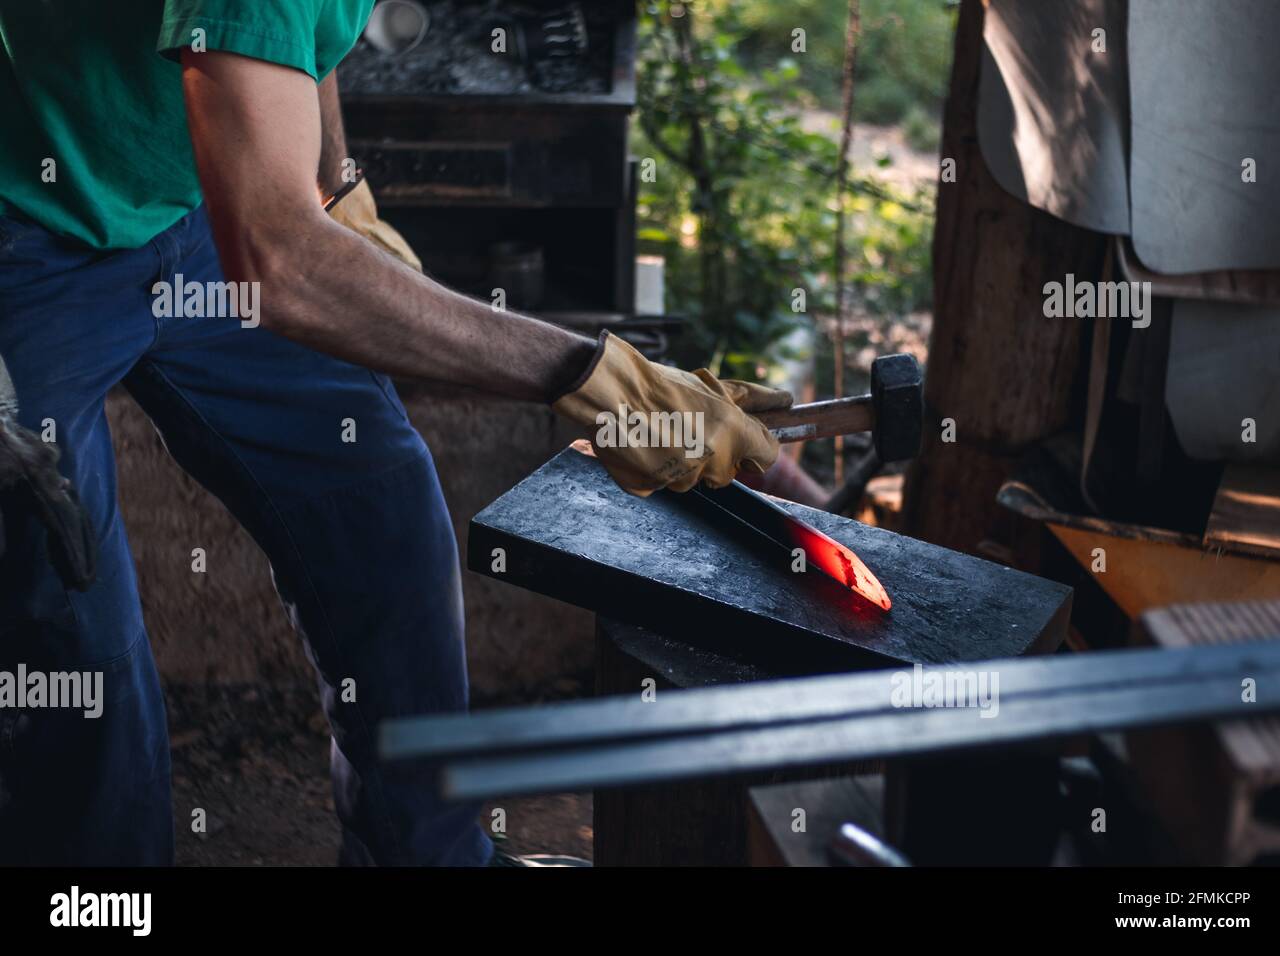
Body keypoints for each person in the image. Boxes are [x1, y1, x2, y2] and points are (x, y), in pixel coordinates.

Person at [0, 0, 788, 865]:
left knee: (383, 515)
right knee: (77, 654)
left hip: (193, 200)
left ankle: (426, 858)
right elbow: (281, 266)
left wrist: (336, 188)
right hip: (26, 241)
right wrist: (599, 383)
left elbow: (299, 38)